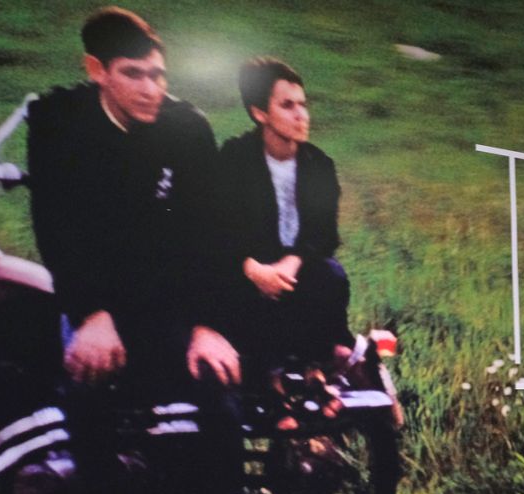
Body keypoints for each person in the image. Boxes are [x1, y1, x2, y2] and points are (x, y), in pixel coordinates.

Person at [28, 6, 240, 391]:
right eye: (133, 74)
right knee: (85, 393)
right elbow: (55, 227)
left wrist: (207, 325)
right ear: (97, 70)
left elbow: (213, 237)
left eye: (158, 75)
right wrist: (91, 315)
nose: (150, 89)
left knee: (215, 396)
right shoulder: (56, 121)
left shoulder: (188, 130)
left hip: (171, 300)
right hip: (98, 299)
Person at [215, 56, 355, 426]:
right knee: (244, 295)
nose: (301, 115)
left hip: (296, 269)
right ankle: (270, 383)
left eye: (303, 105)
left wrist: (292, 261)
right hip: (250, 271)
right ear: (260, 112)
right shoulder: (234, 160)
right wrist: (252, 269)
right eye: (287, 106)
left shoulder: (318, 165)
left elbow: (323, 233)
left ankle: (316, 373)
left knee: (331, 275)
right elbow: (219, 230)